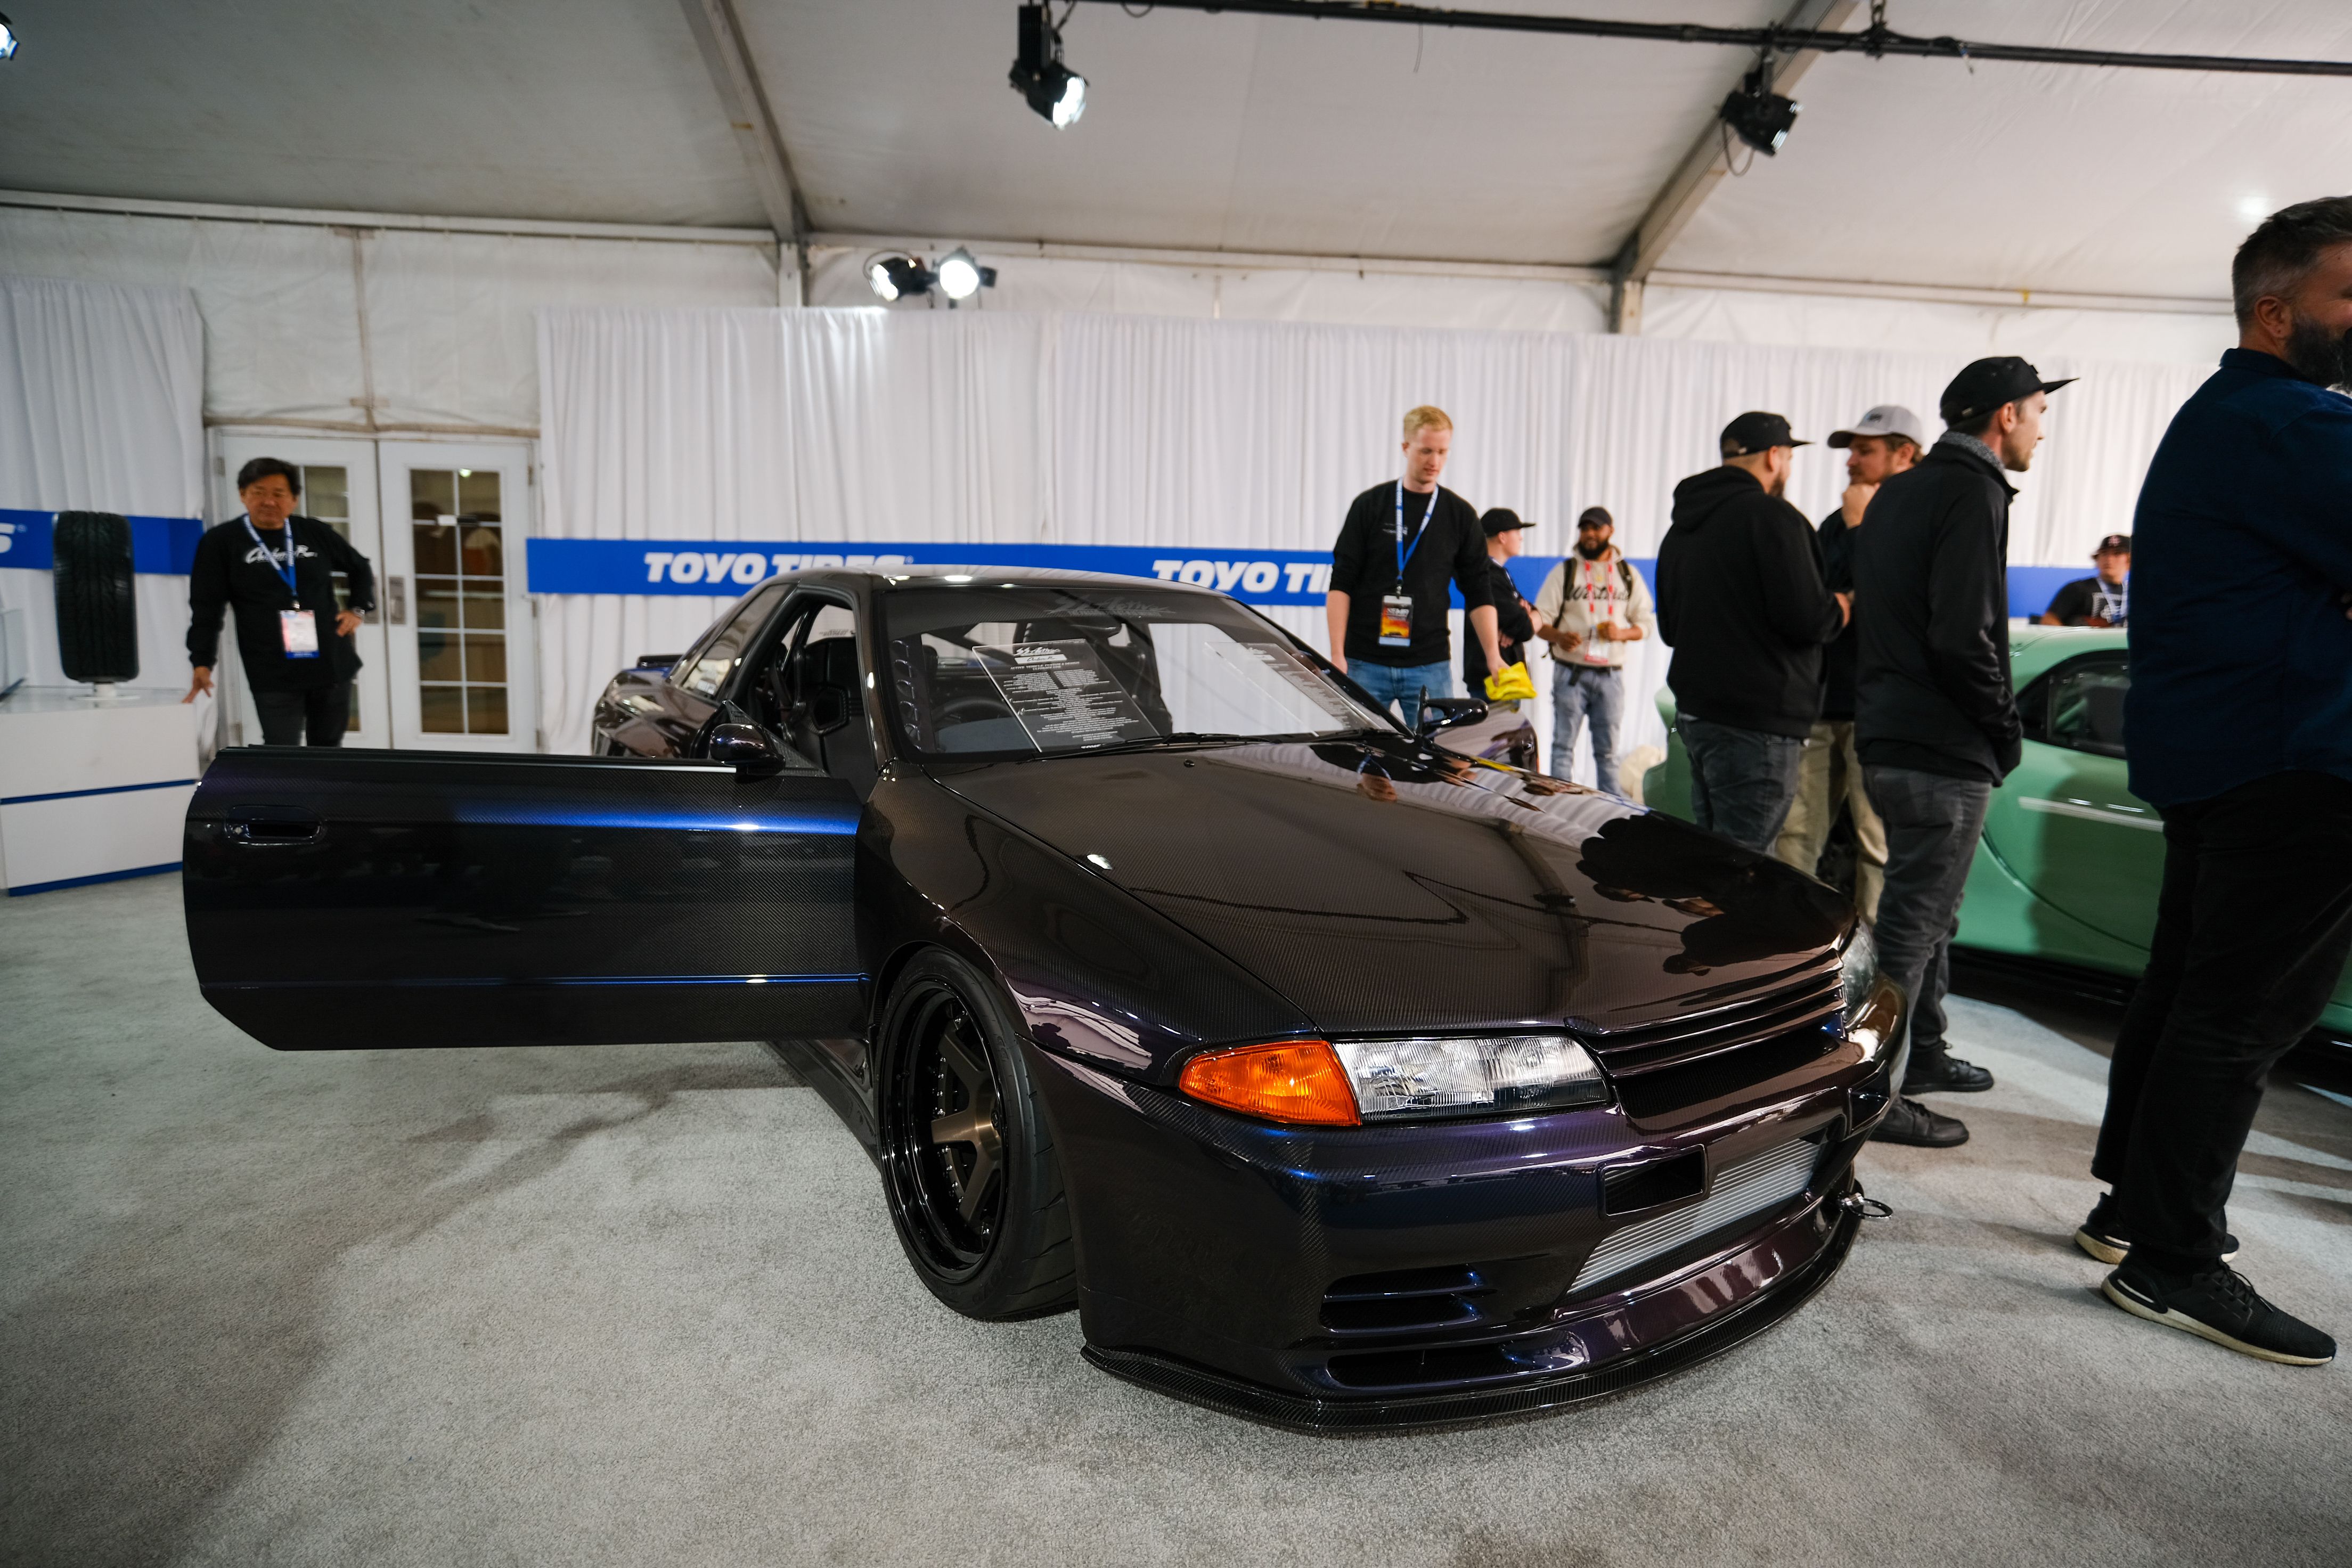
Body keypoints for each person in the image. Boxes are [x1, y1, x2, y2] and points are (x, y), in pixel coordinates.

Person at [2081, 197, 2352, 1367]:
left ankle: (2130, 1207)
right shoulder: (2292, 423)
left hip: (2225, 753)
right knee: (2241, 1014)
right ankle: (2175, 1257)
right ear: (2279, 311)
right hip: (2297, 754)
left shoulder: (2226, 415)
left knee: (2191, 988)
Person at [1854, 357, 2073, 1149]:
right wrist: (2004, 729)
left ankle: (1927, 1053)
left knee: (1930, 918)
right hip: (1942, 747)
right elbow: (1964, 636)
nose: (2043, 430)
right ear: (2006, 415)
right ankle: (1878, 1092)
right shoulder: (1973, 491)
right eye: (2039, 413)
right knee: (1912, 929)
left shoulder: (1899, 491)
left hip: (1887, 736)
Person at [1654, 412, 1848, 852]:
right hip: (1758, 723)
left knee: (1715, 860)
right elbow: (1807, 619)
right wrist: (1841, 607)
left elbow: (1670, 629)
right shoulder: (1774, 518)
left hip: (1698, 717)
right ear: (1776, 456)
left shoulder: (1681, 528)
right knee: (1743, 871)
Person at [1773, 406, 1923, 923]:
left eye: (1865, 451)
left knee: (1876, 844)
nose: (1851, 462)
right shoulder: (1833, 522)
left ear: (1904, 453)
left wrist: (1864, 529)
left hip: (1880, 712)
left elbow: (1894, 609)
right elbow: (1819, 605)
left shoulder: (1923, 515)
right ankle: (1793, 953)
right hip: (1821, 701)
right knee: (1796, 835)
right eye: (1851, 450)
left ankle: (1875, 975)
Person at [1326, 406, 1505, 731]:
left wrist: (1493, 657)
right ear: (1406, 448)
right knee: (1357, 760)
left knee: (1437, 762)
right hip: (1364, 661)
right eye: (1426, 451)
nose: (1434, 461)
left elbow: (1479, 592)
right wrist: (1337, 655)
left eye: (1442, 452)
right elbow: (1341, 583)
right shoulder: (1370, 505)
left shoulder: (1460, 515)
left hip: (1429, 664)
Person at [185, 458, 375, 745]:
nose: (268, 501)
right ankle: (289, 792)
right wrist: (202, 661)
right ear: (242, 495)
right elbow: (206, 607)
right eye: (258, 492)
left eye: (278, 493)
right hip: (270, 665)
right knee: (281, 749)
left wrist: (358, 609)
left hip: (329, 659)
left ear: (294, 499)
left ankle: (324, 792)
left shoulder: (313, 532)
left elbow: (359, 566)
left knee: (328, 750)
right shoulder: (221, 542)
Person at [1533, 507, 1655, 798]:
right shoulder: (1565, 572)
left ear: (1610, 531)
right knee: (1563, 749)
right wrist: (1559, 637)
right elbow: (1538, 621)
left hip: (1611, 677)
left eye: (1596, 528)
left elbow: (1647, 624)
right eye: (1584, 528)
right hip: (1570, 674)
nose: (1589, 534)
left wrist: (1622, 633)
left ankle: (1612, 816)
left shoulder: (1627, 574)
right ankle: (1559, 810)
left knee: (1608, 754)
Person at [1462, 508, 1538, 703]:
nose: (1521, 538)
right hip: (1493, 680)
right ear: (1502, 537)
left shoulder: (1500, 573)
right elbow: (1525, 628)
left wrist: (1526, 615)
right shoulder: (1488, 574)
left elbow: (1535, 616)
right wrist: (1524, 617)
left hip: (1504, 677)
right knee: (1497, 734)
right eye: (1518, 532)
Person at [2037, 534, 2132, 626]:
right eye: (2104, 554)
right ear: (2097, 559)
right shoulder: (2078, 589)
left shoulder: (2134, 593)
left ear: (2130, 560)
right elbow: (2049, 621)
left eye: (2117, 554)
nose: (2109, 559)